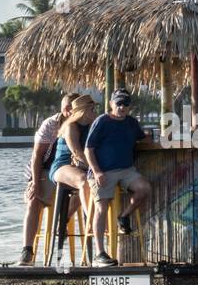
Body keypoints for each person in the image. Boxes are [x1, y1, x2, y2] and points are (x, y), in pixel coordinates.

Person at [84, 89, 151, 267]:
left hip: (126, 169)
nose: (122, 107)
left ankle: (124, 216)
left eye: (125, 104)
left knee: (144, 189)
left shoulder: (131, 122)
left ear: (130, 106)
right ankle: (100, 253)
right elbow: (88, 149)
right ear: (111, 104)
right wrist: (97, 171)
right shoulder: (101, 121)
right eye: (118, 103)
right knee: (101, 208)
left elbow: (142, 138)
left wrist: (153, 138)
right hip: (102, 171)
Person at [17, 92, 80, 265]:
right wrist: (35, 183)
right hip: (45, 169)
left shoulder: (84, 124)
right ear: (67, 110)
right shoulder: (50, 124)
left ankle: (63, 219)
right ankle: (27, 250)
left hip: (69, 169)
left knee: (85, 188)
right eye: (78, 109)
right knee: (33, 200)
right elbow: (37, 156)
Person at [48, 95, 98, 249]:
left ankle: (65, 219)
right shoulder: (71, 126)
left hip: (80, 166)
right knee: (84, 180)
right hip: (62, 166)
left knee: (89, 182)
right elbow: (77, 153)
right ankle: (93, 223)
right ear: (83, 111)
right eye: (92, 109)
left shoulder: (92, 125)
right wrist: (95, 169)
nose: (95, 112)